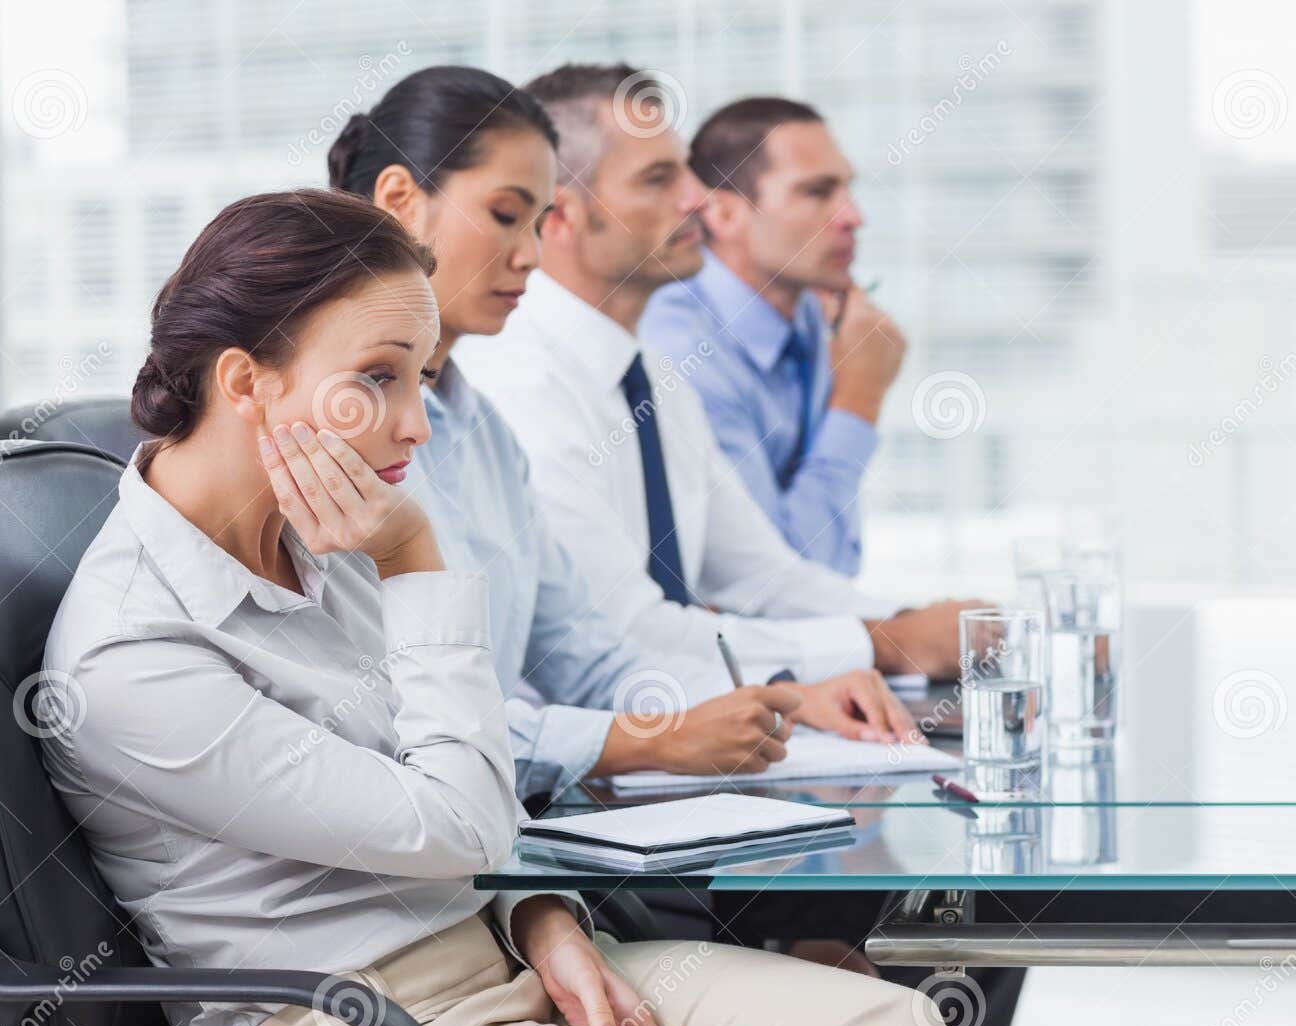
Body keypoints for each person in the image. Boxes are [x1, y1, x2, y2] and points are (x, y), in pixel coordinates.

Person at [38, 189, 966, 1026]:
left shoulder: (321, 540)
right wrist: (413, 564)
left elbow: (479, 786)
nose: (415, 425)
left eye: (421, 378)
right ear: (246, 380)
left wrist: (541, 917)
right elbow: (458, 822)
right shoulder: (132, 654)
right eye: (377, 377)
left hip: (504, 947)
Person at [325, 66, 921, 806]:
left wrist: (783, 695)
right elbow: (383, 726)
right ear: (399, 202)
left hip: (514, 823)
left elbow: (586, 650)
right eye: (507, 215)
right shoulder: (337, 430)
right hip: (458, 836)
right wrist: (647, 739)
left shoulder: (484, 431)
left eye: (535, 222)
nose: (530, 256)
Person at [453, 64, 974, 686]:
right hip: (575, 766)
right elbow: (626, 633)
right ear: (560, 216)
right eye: (657, 178)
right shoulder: (519, 382)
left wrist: (938, 626)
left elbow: (761, 575)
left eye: (687, 171)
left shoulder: (653, 375)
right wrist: (882, 643)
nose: (698, 198)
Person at [641, 97, 903, 577]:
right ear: (721, 215)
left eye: (847, 189)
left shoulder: (814, 317)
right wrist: (859, 399)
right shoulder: (683, 352)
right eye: (817, 193)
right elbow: (777, 581)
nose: (853, 216)